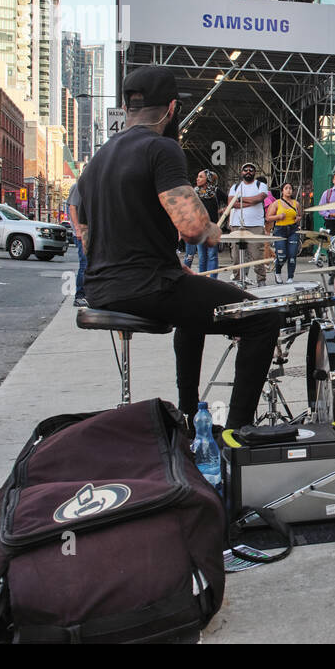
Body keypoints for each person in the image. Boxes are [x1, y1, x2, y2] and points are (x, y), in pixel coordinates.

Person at [77, 66, 279, 430]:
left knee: (195, 306)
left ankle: (190, 411)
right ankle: (237, 434)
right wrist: (214, 232)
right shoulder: (162, 147)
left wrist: (163, 261)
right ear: (172, 109)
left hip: (101, 289)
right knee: (264, 318)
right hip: (147, 287)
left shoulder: (101, 157)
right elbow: (192, 228)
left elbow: (82, 224)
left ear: (126, 108)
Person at [226, 161, 270, 287]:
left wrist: (239, 199)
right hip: (236, 224)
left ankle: (261, 280)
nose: (248, 172)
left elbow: (259, 198)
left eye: (251, 170)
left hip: (255, 225)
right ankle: (238, 279)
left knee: (257, 255)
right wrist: (250, 202)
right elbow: (231, 203)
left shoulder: (260, 185)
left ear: (255, 173)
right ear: (241, 172)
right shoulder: (235, 187)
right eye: (246, 170)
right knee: (236, 256)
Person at [266, 182, 301, 283]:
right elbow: (268, 217)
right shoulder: (277, 203)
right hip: (280, 230)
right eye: (286, 188)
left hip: (293, 230)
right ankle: (277, 272)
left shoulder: (296, 203)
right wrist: (278, 217)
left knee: (292, 255)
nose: (288, 190)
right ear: (282, 191)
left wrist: (298, 219)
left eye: (290, 188)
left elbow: (300, 215)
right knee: (282, 255)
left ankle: (290, 277)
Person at [67, 180, 88, 307]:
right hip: (82, 232)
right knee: (84, 264)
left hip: (90, 231)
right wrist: (78, 229)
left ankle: (88, 295)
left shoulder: (93, 186)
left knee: (91, 265)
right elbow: (72, 207)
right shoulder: (78, 186)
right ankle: (79, 296)